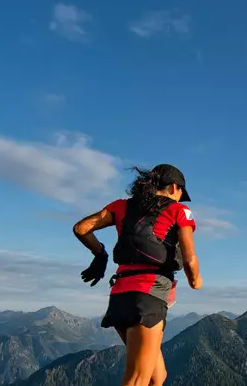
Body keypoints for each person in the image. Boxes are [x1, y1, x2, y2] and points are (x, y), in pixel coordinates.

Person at [73, 164, 203, 386]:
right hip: (148, 298)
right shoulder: (179, 211)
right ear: (174, 187)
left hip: (120, 296)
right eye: (181, 194)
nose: (181, 199)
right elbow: (190, 259)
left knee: (157, 376)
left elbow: (82, 228)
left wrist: (100, 254)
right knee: (136, 380)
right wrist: (195, 281)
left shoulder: (121, 206)